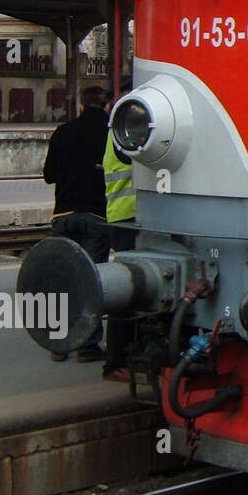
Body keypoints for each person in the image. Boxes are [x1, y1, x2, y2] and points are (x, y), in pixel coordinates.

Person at [42, 83, 110, 361]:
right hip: (96, 216)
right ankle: (87, 346)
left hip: (63, 215)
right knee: (91, 281)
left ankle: (58, 345)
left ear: (81, 106)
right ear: (105, 107)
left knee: (63, 278)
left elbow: (48, 175)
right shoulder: (109, 134)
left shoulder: (63, 132)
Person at [100, 78, 136, 383]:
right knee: (129, 288)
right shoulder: (126, 127)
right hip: (129, 218)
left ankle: (123, 357)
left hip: (125, 218)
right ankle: (115, 361)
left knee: (131, 290)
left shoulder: (118, 125)